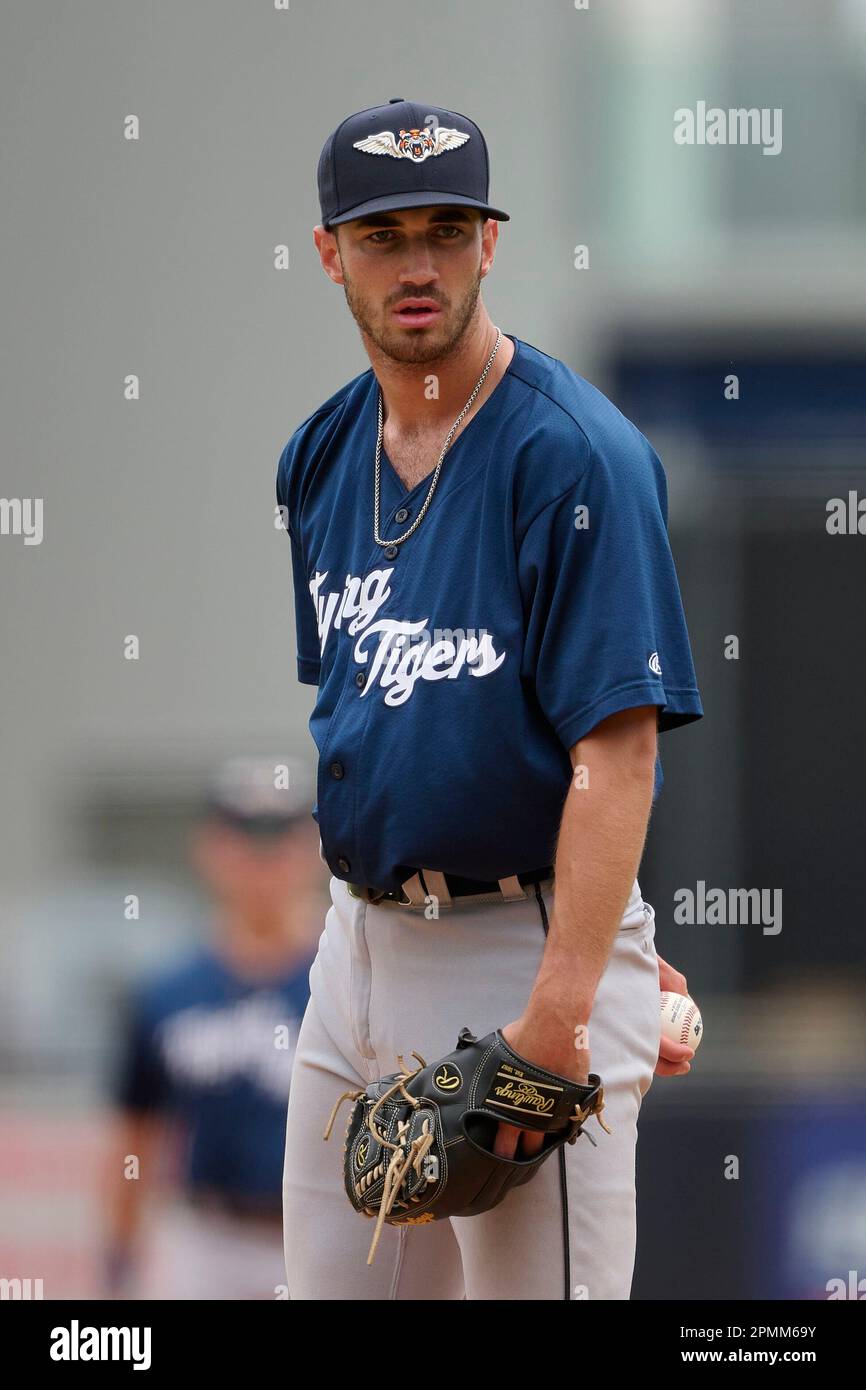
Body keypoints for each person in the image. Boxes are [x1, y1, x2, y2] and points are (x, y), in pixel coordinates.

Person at [277, 99, 703, 1301]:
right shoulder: (319, 456)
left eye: (445, 230)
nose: (417, 265)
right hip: (353, 943)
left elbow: (615, 757)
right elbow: (384, 730)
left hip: (516, 954)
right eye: (381, 235)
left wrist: (572, 1000)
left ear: (487, 243)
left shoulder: (575, 455)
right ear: (329, 253)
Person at [104, 757, 322, 1300]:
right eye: (244, 835)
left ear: (313, 847)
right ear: (209, 848)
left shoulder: (352, 986)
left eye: (279, 836)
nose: (261, 855)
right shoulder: (169, 992)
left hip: (325, 1236)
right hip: (206, 1239)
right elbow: (135, 1135)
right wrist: (118, 1264)